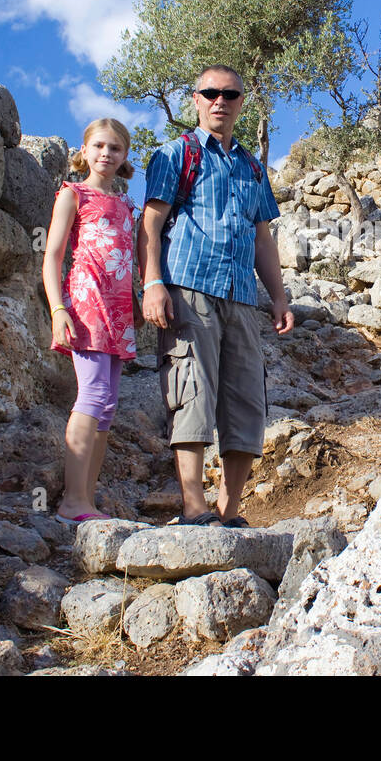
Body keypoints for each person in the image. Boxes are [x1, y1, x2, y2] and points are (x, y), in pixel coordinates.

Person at [138, 64, 293, 527]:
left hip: (243, 297)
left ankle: (228, 511)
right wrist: (152, 283)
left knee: (246, 401)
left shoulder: (252, 166)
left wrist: (279, 298)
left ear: (242, 102)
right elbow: (150, 223)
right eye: (210, 93)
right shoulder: (174, 154)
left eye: (230, 94)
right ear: (195, 99)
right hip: (189, 289)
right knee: (191, 394)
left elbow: (262, 238)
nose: (219, 101)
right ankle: (193, 506)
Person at [43, 117, 140, 525]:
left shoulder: (127, 205)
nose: (106, 154)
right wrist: (58, 309)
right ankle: (71, 500)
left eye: (115, 148)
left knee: (108, 405)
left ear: (124, 156)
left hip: (119, 309)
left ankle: (86, 501)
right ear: (84, 151)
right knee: (93, 394)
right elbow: (52, 256)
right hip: (85, 304)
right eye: (99, 146)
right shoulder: (73, 194)